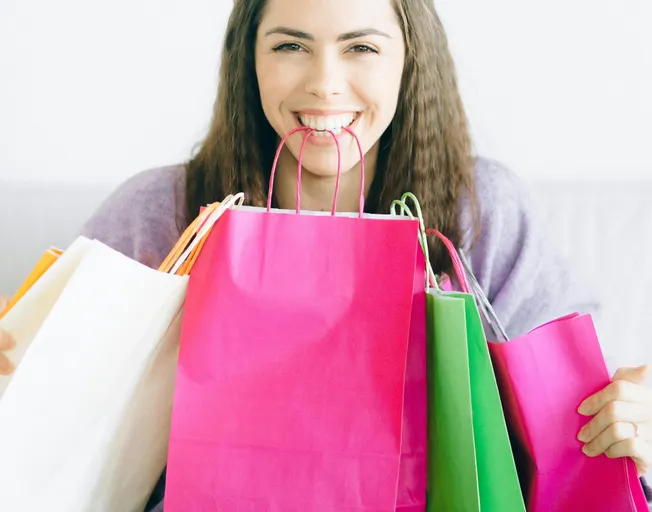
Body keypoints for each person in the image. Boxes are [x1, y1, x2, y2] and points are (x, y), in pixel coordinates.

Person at [1, 0, 651, 508]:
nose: (324, 83)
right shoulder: (164, 213)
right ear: (247, 59)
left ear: (409, 59)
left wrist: (632, 430)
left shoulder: (482, 211)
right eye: (289, 46)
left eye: (361, 47)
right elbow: (57, 434)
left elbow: (577, 437)